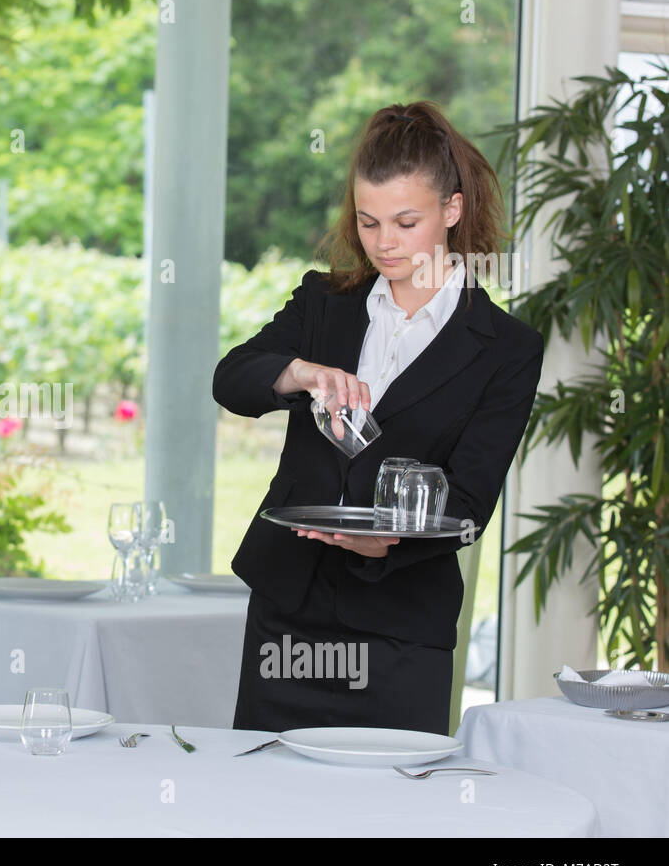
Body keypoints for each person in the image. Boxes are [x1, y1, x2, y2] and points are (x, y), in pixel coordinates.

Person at [213, 101, 543, 735]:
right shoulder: (323, 303)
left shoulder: (505, 348)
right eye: (368, 222)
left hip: (401, 628)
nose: (384, 242)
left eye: (405, 221)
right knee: (264, 806)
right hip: (290, 610)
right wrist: (301, 373)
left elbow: (470, 504)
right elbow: (231, 380)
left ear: (451, 210)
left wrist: (384, 544)